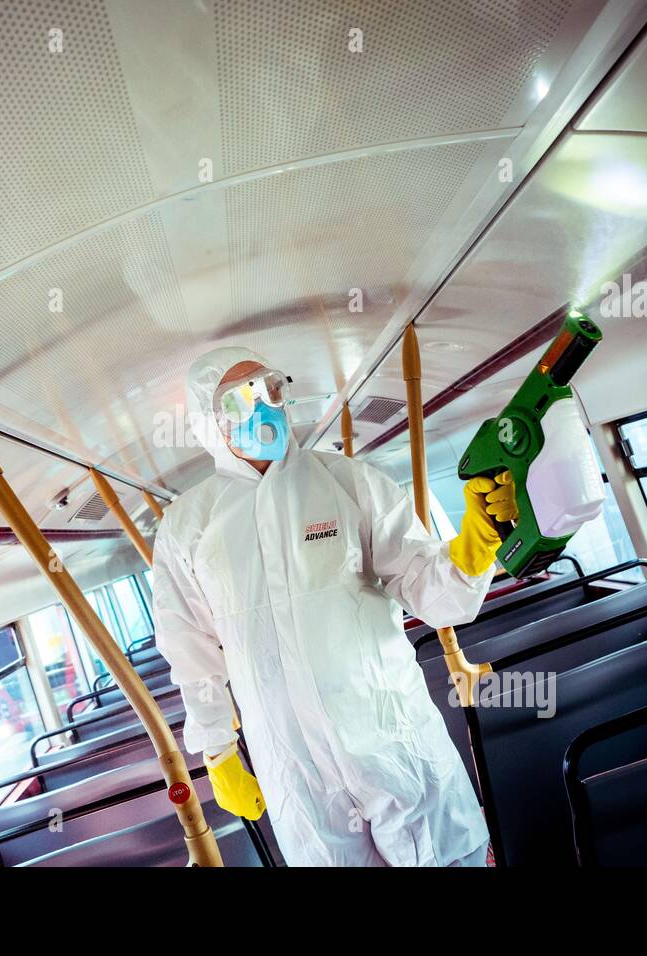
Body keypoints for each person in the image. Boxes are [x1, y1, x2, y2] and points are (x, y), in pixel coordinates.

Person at [152, 346, 515, 867]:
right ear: (211, 424)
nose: (262, 408)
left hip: (394, 737)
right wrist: (217, 751)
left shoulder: (350, 483)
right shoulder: (189, 527)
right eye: (238, 401)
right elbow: (191, 649)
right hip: (296, 770)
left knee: (446, 858)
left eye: (269, 388)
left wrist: (476, 544)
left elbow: (433, 592)